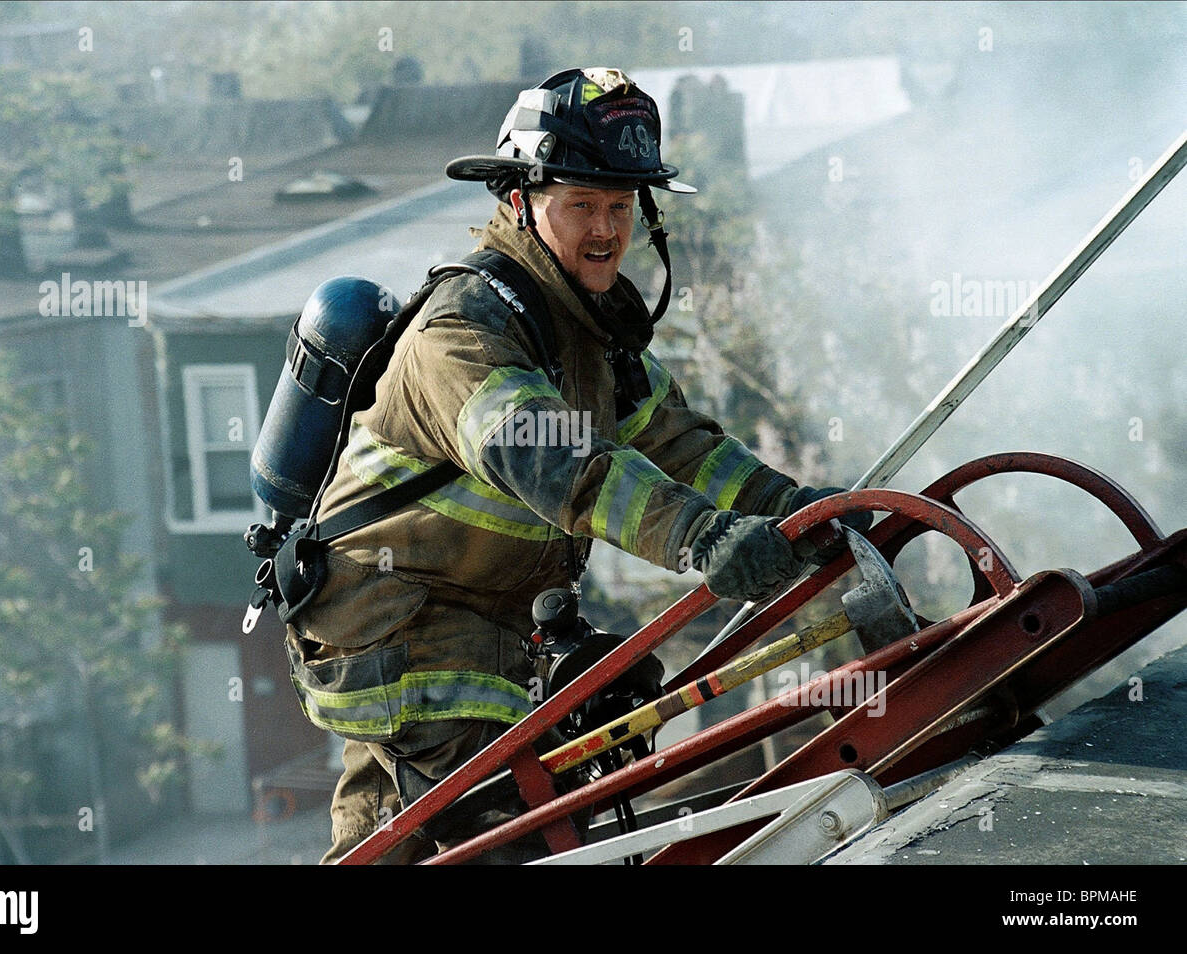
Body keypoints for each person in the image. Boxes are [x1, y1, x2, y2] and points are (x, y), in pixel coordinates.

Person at [286, 67, 866, 863]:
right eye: (582, 205)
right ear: (520, 201)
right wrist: (703, 540)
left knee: (399, 844)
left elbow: (681, 444)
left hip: (476, 628)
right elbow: (556, 462)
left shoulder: (588, 330)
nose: (606, 230)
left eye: (621, 207)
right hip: (403, 633)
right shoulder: (461, 332)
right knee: (507, 837)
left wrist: (795, 512)